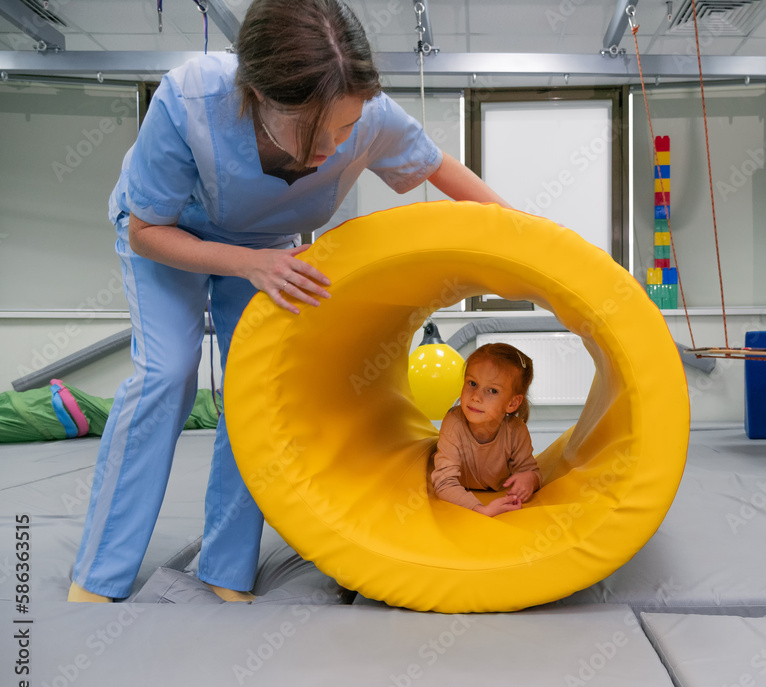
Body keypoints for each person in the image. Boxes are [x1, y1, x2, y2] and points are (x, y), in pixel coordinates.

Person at [69, 0, 510, 603]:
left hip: (268, 248)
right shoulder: (190, 101)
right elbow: (147, 229)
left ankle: (226, 570)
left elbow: (445, 174)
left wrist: (529, 245)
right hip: (168, 233)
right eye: (314, 130)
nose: (334, 144)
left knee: (257, 394)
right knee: (166, 374)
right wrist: (246, 264)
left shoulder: (372, 115)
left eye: (346, 128)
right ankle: (100, 574)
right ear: (256, 97)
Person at [431, 343, 542, 517]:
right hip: (463, 493)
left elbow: (530, 471)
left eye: (492, 390)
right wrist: (480, 509)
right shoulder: (454, 423)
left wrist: (530, 479)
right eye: (472, 383)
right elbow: (444, 482)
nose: (476, 396)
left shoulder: (516, 430)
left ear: (512, 403)